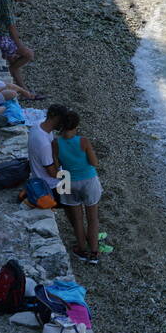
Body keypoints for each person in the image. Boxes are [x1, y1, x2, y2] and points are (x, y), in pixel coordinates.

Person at [54, 112, 103, 263]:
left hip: (68, 180)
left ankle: (81, 249)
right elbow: (94, 163)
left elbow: (57, 168)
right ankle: (94, 253)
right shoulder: (83, 141)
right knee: (92, 218)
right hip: (88, 179)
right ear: (76, 126)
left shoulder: (55, 143)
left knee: (77, 219)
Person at [28, 104, 70, 202]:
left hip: (37, 174)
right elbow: (52, 173)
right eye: (62, 120)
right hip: (50, 186)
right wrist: (67, 174)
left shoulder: (38, 125)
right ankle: (68, 205)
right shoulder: (44, 144)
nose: (63, 124)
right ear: (56, 118)